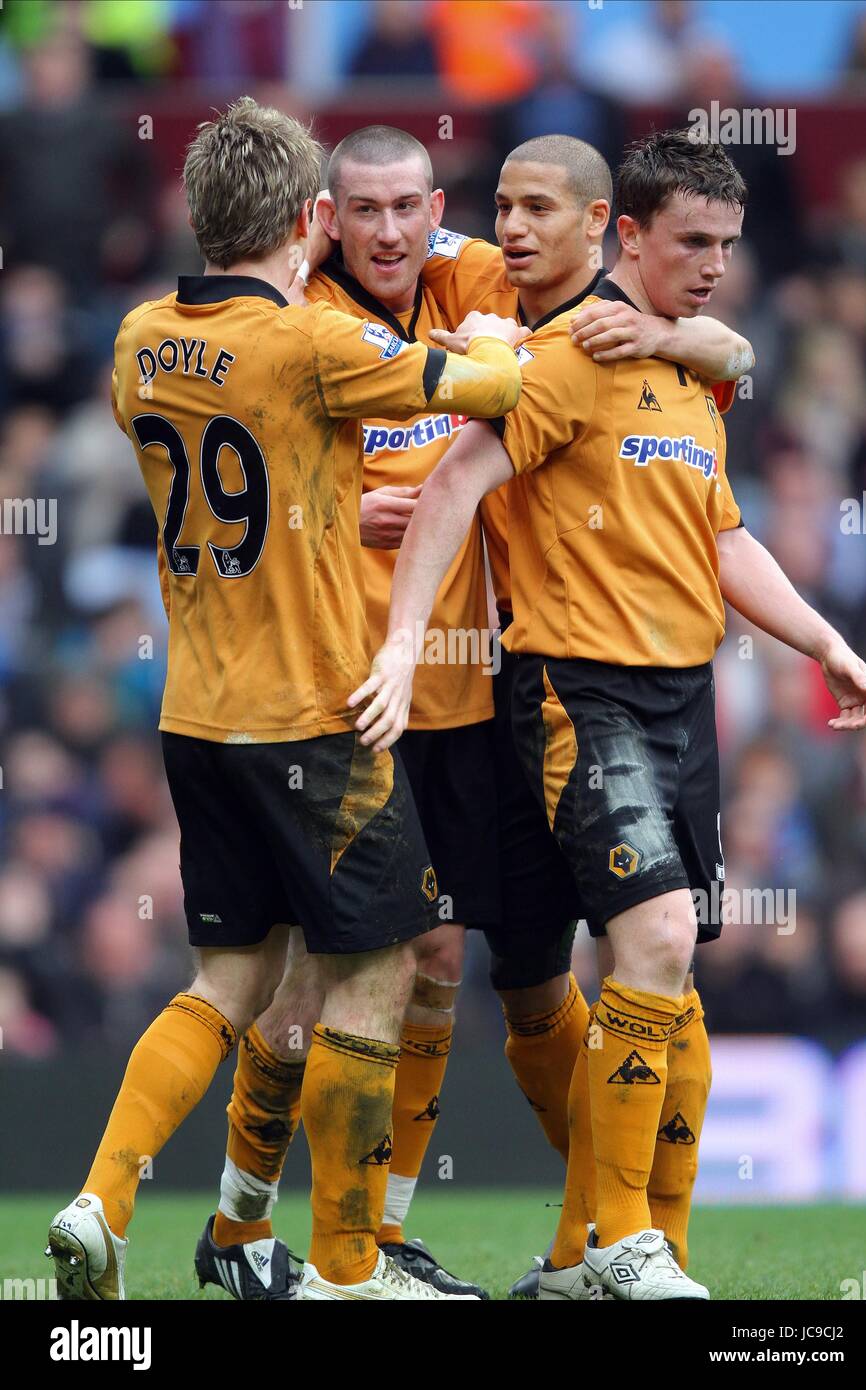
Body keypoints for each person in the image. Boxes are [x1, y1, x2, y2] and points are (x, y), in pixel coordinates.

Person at [350, 129, 866, 1301]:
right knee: (642, 943)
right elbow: (453, 485)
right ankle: (603, 1243)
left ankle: (606, 1252)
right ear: (626, 234)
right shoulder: (554, 353)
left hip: (681, 700)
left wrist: (829, 640)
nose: (713, 266)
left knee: (655, 979)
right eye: (692, 243)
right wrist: (400, 640)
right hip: (572, 691)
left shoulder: (695, 370)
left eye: (729, 246)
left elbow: (725, 533)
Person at [45, 96, 526, 1303]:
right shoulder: (313, 344)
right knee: (377, 973)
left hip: (195, 717)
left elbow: (234, 467)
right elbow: (486, 384)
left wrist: (330, 506)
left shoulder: (137, 336)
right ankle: (356, 1268)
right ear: (315, 218)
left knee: (230, 984)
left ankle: (101, 1198)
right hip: (315, 717)